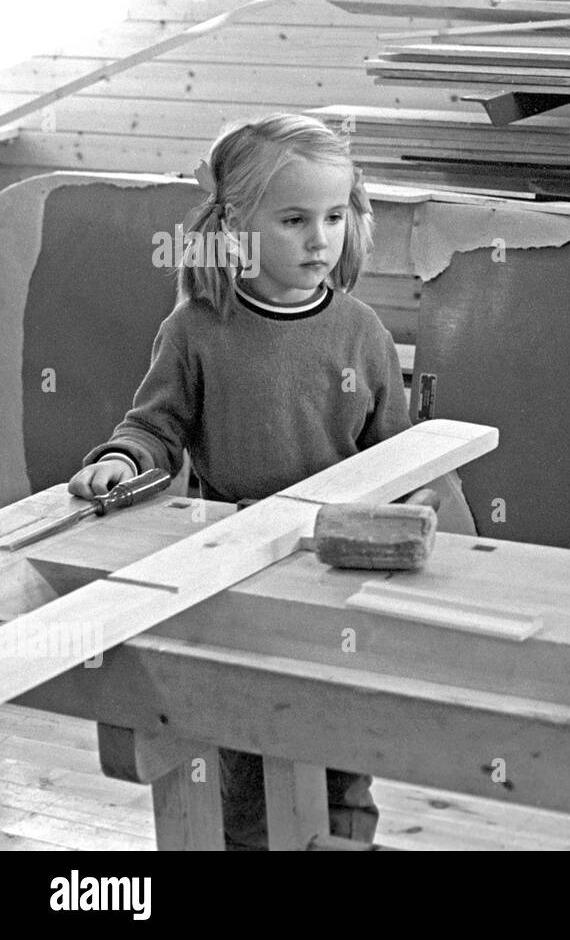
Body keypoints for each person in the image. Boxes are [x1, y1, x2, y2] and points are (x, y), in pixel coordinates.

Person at [68, 113, 473, 849]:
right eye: (294, 219)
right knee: (247, 748)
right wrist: (121, 463)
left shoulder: (362, 332)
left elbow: (402, 456)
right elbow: (154, 428)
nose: (321, 239)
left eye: (334, 216)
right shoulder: (195, 328)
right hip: (234, 571)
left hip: (337, 570)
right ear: (235, 228)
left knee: (344, 738)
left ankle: (347, 838)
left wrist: (421, 506)